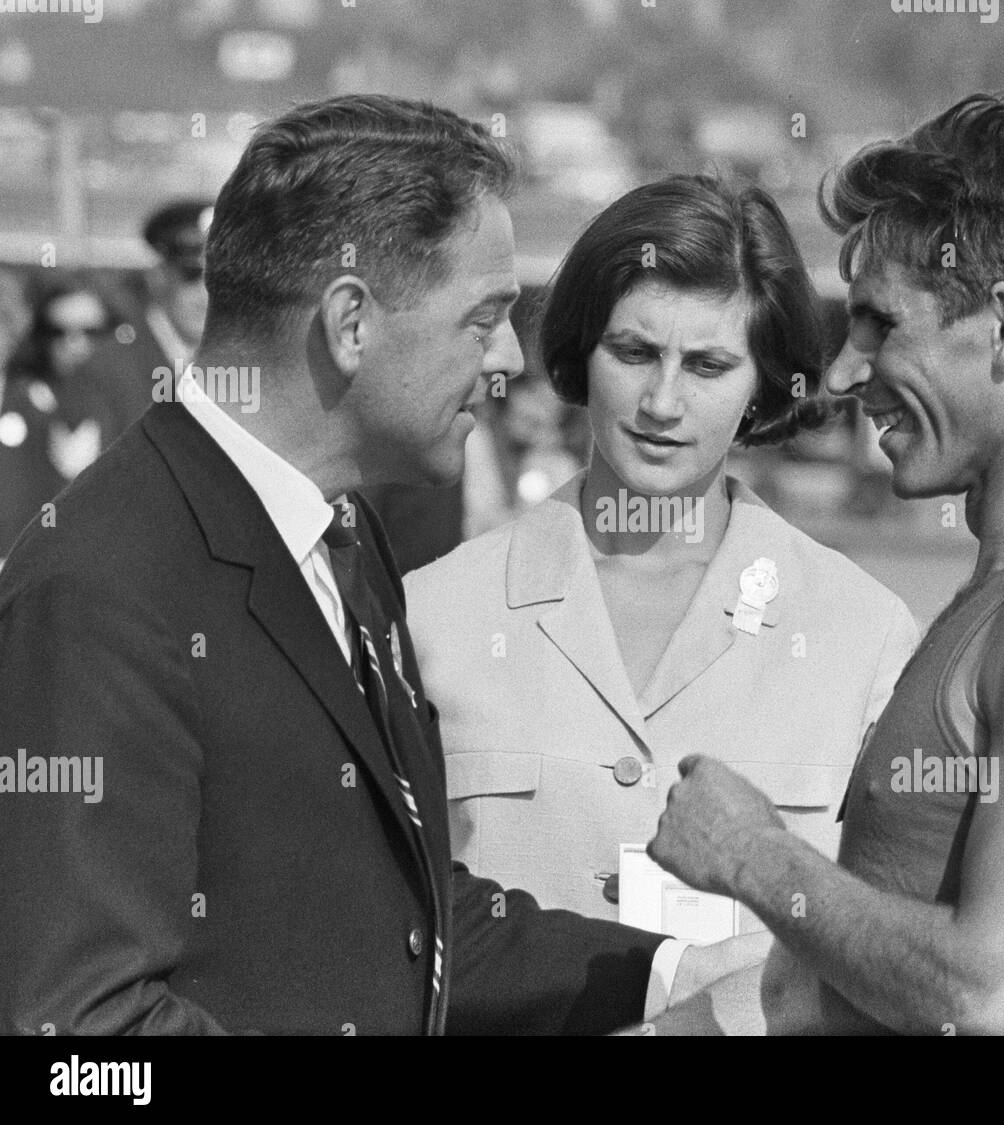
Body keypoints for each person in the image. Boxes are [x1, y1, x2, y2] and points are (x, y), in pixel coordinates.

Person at [0, 95, 750, 1037]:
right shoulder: (106, 585)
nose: (510, 357)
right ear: (351, 322)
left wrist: (682, 970)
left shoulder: (338, 537)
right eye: (483, 318)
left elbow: (399, 922)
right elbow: (76, 1029)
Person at [641, 92, 1004, 1035]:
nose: (841, 371)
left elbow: (997, 1003)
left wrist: (757, 858)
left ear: (1002, 327)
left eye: (878, 324)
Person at [403, 175, 918, 933]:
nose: (662, 403)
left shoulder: (864, 636)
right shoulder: (428, 616)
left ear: (762, 387)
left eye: (708, 366)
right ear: (584, 352)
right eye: (635, 352)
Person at [74, 199, 211, 448]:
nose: (206, 294)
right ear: (158, 277)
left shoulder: (240, 363)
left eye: (220, 279)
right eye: (191, 276)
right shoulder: (105, 367)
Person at [1, 282, 116, 557]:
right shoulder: (23, 398)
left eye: (92, 332)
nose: (75, 344)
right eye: (56, 331)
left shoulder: (133, 401)